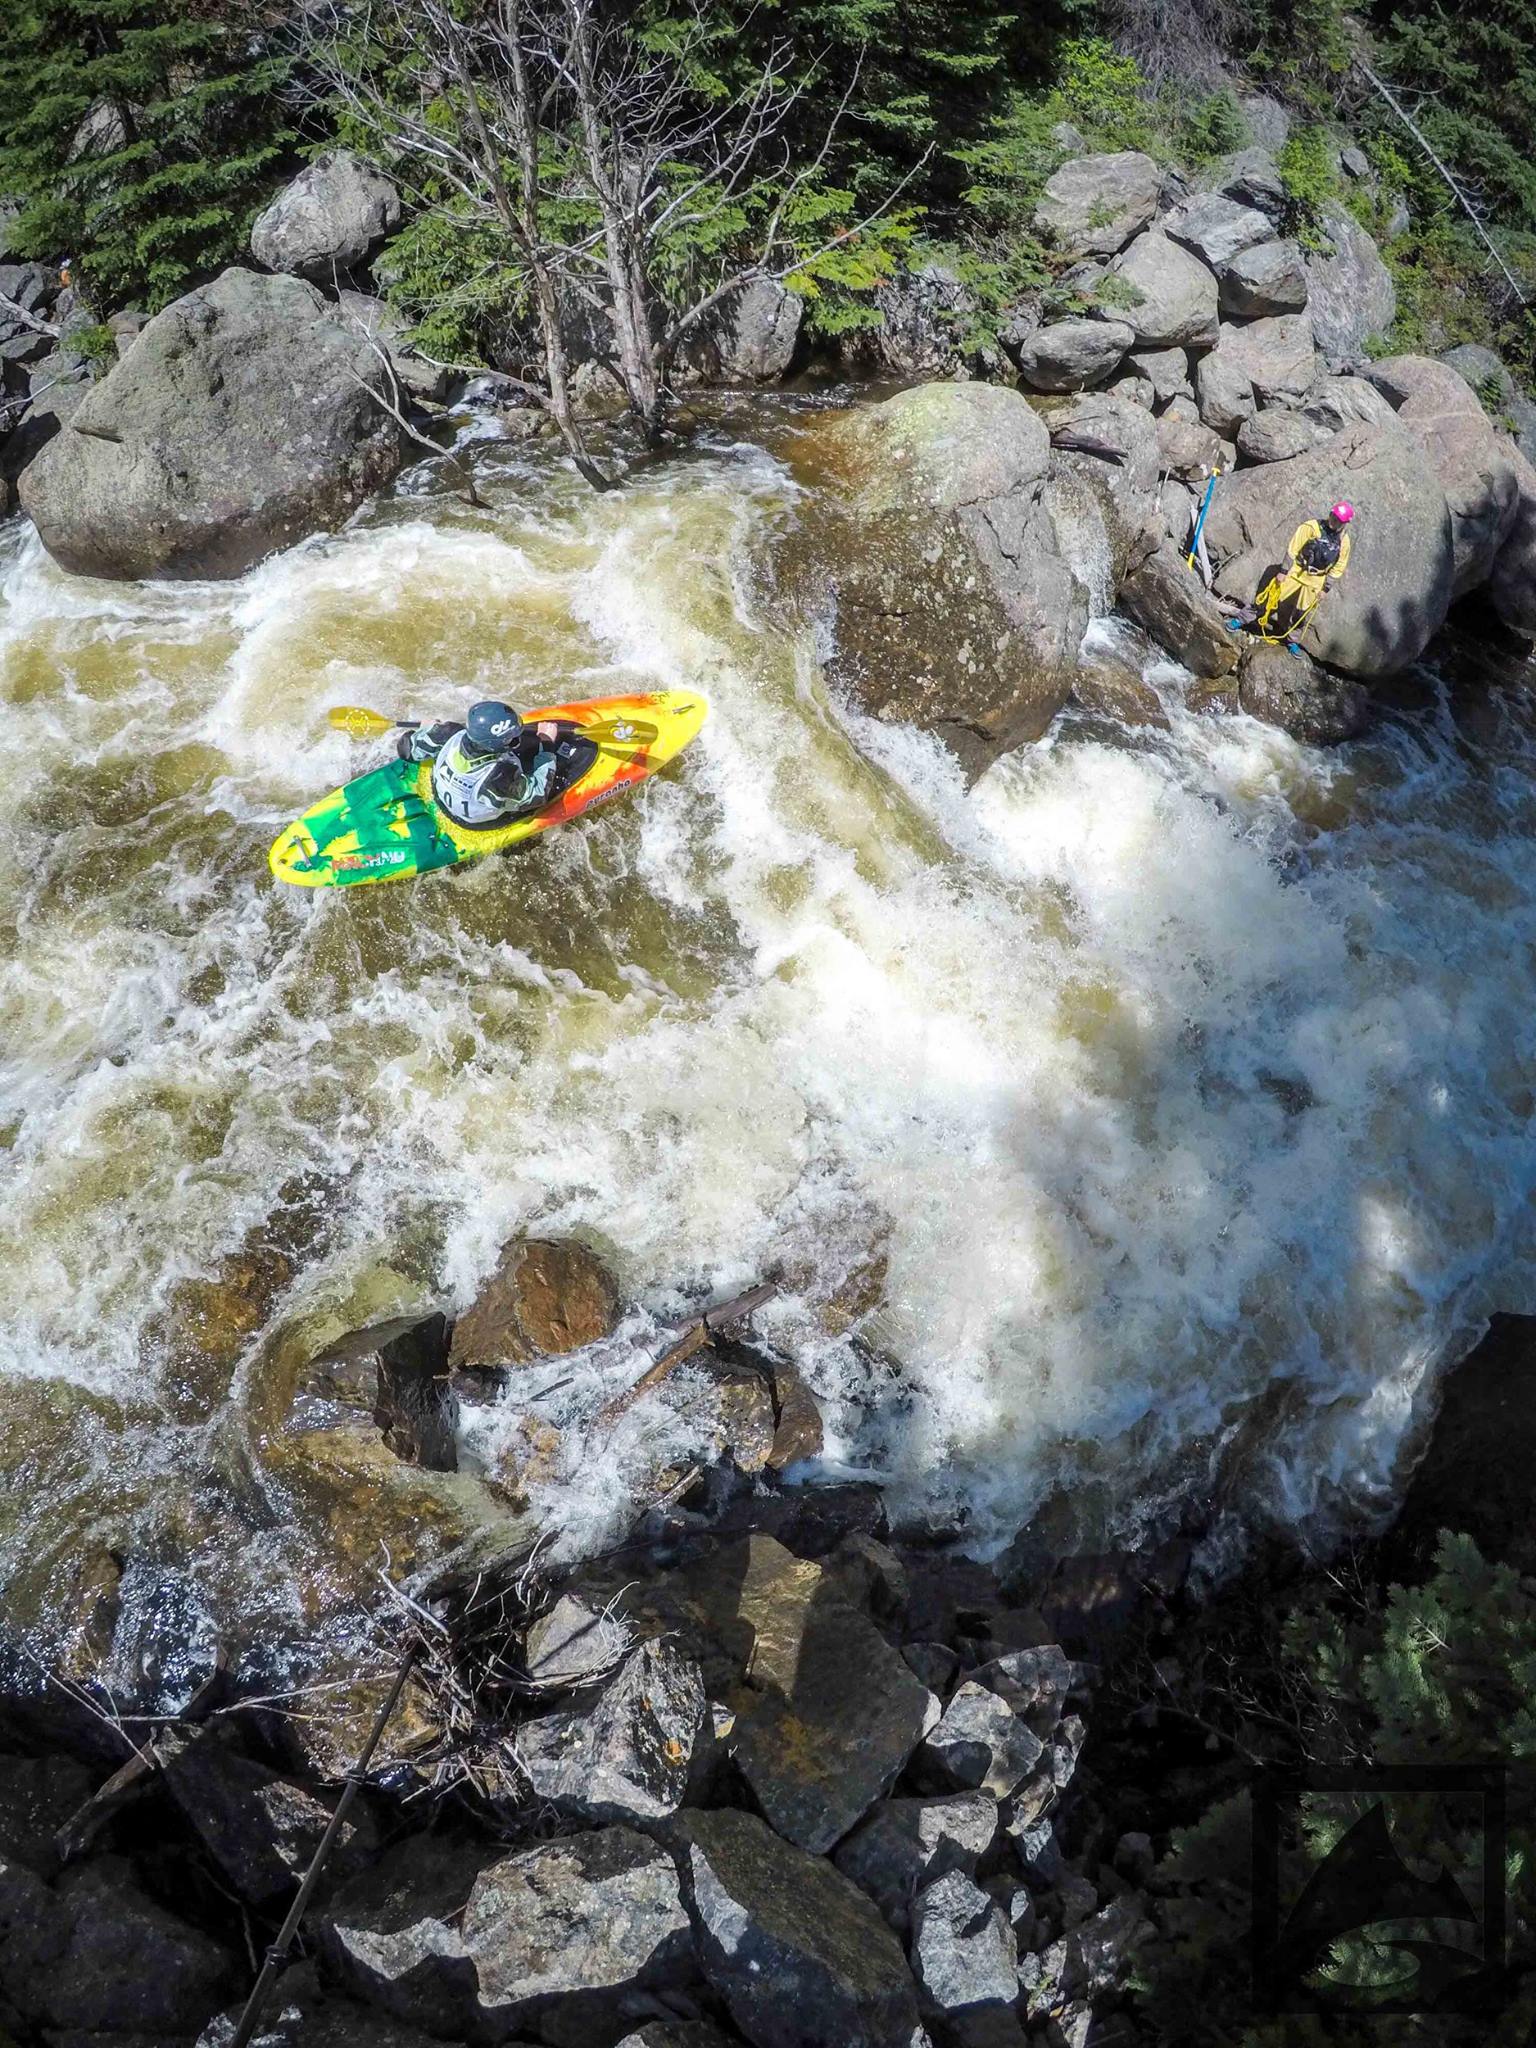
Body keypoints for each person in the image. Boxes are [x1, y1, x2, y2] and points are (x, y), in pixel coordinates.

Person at [397, 698, 575, 828]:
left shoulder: (447, 733)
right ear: (493, 745)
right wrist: (547, 744)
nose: (516, 741)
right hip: (474, 820)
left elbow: (406, 748)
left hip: (440, 796)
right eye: (511, 740)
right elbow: (537, 795)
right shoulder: (501, 775)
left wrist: (428, 729)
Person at [1229, 502, 1355, 653]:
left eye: (1339, 520)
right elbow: (1293, 549)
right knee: (1270, 597)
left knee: (1301, 612)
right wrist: (1283, 571)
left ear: (1345, 523)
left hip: (1316, 579)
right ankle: (1241, 619)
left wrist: (1325, 589)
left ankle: (1292, 640)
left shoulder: (1344, 542)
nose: (1334, 521)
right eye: (1333, 517)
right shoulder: (1311, 527)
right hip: (1297, 570)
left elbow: (1338, 567)